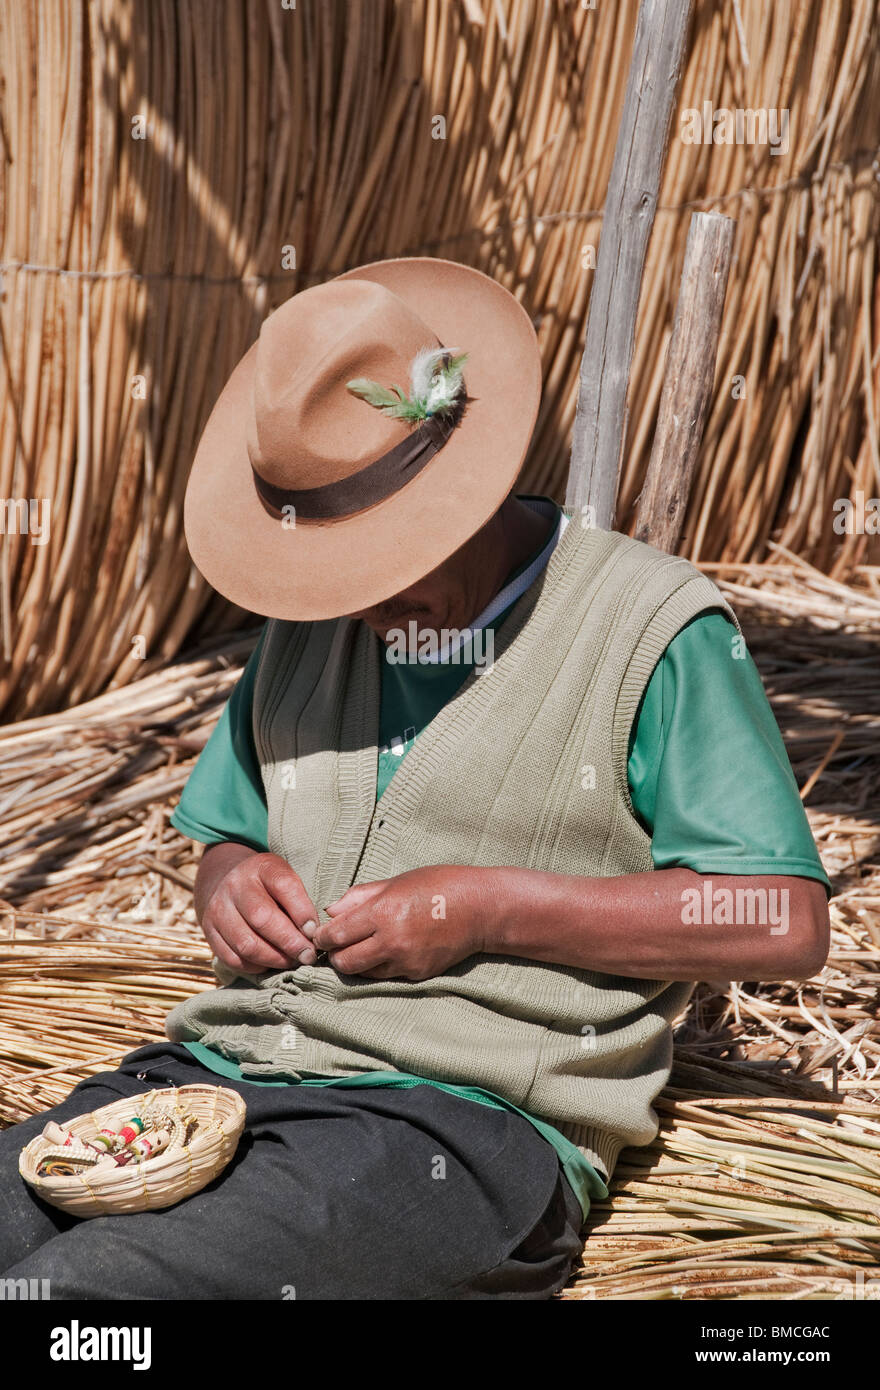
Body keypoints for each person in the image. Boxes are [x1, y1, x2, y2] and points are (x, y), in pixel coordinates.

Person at [0, 257, 830, 1300]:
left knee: (86, 1299)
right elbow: (229, 827)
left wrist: (488, 908)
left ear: (466, 489)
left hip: (451, 1125)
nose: (362, 610)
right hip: (219, 1080)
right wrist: (228, 879)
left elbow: (781, 919)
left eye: (389, 564)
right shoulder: (317, 623)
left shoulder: (646, 630)